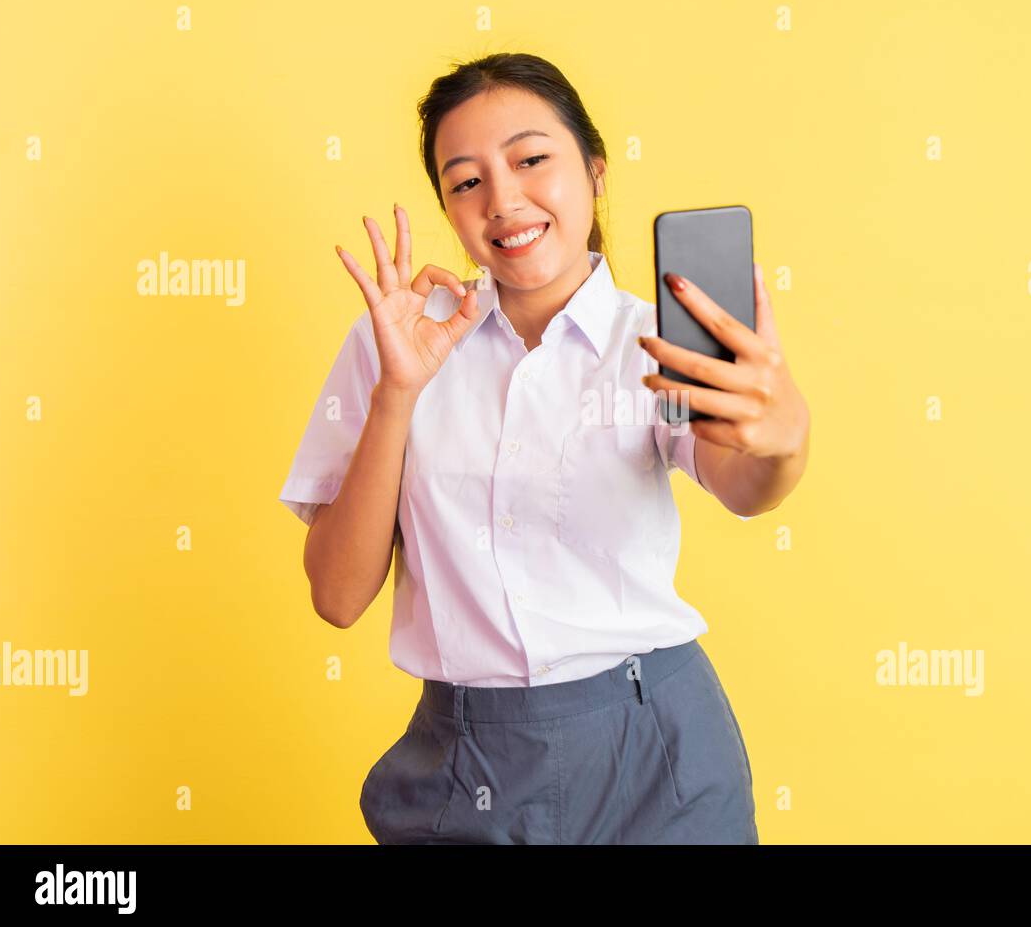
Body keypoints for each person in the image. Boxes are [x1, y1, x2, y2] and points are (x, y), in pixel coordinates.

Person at [278, 52, 810, 844]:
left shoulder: (653, 340)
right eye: (466, 182)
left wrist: (784, 440)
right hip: (468, 759)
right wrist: (397, 393)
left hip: (656, 748)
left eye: (532, 160)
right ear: (448, 210)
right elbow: (338, 597)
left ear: (594, 171)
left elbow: (744, 484)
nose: (504, 200)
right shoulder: (397, 340)